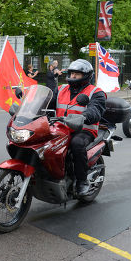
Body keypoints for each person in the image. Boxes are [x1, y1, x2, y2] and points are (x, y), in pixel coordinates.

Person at [51, 59, 106, 196]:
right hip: (60, 127)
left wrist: (85, 116)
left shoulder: (96, 92)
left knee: (77, 143)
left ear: (86, 76)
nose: (73, 76)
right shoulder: (60, 89)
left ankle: (82, 180)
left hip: (84, 129)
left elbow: (96, 110)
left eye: (77, 74)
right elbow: (46, 102)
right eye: (72, 73)